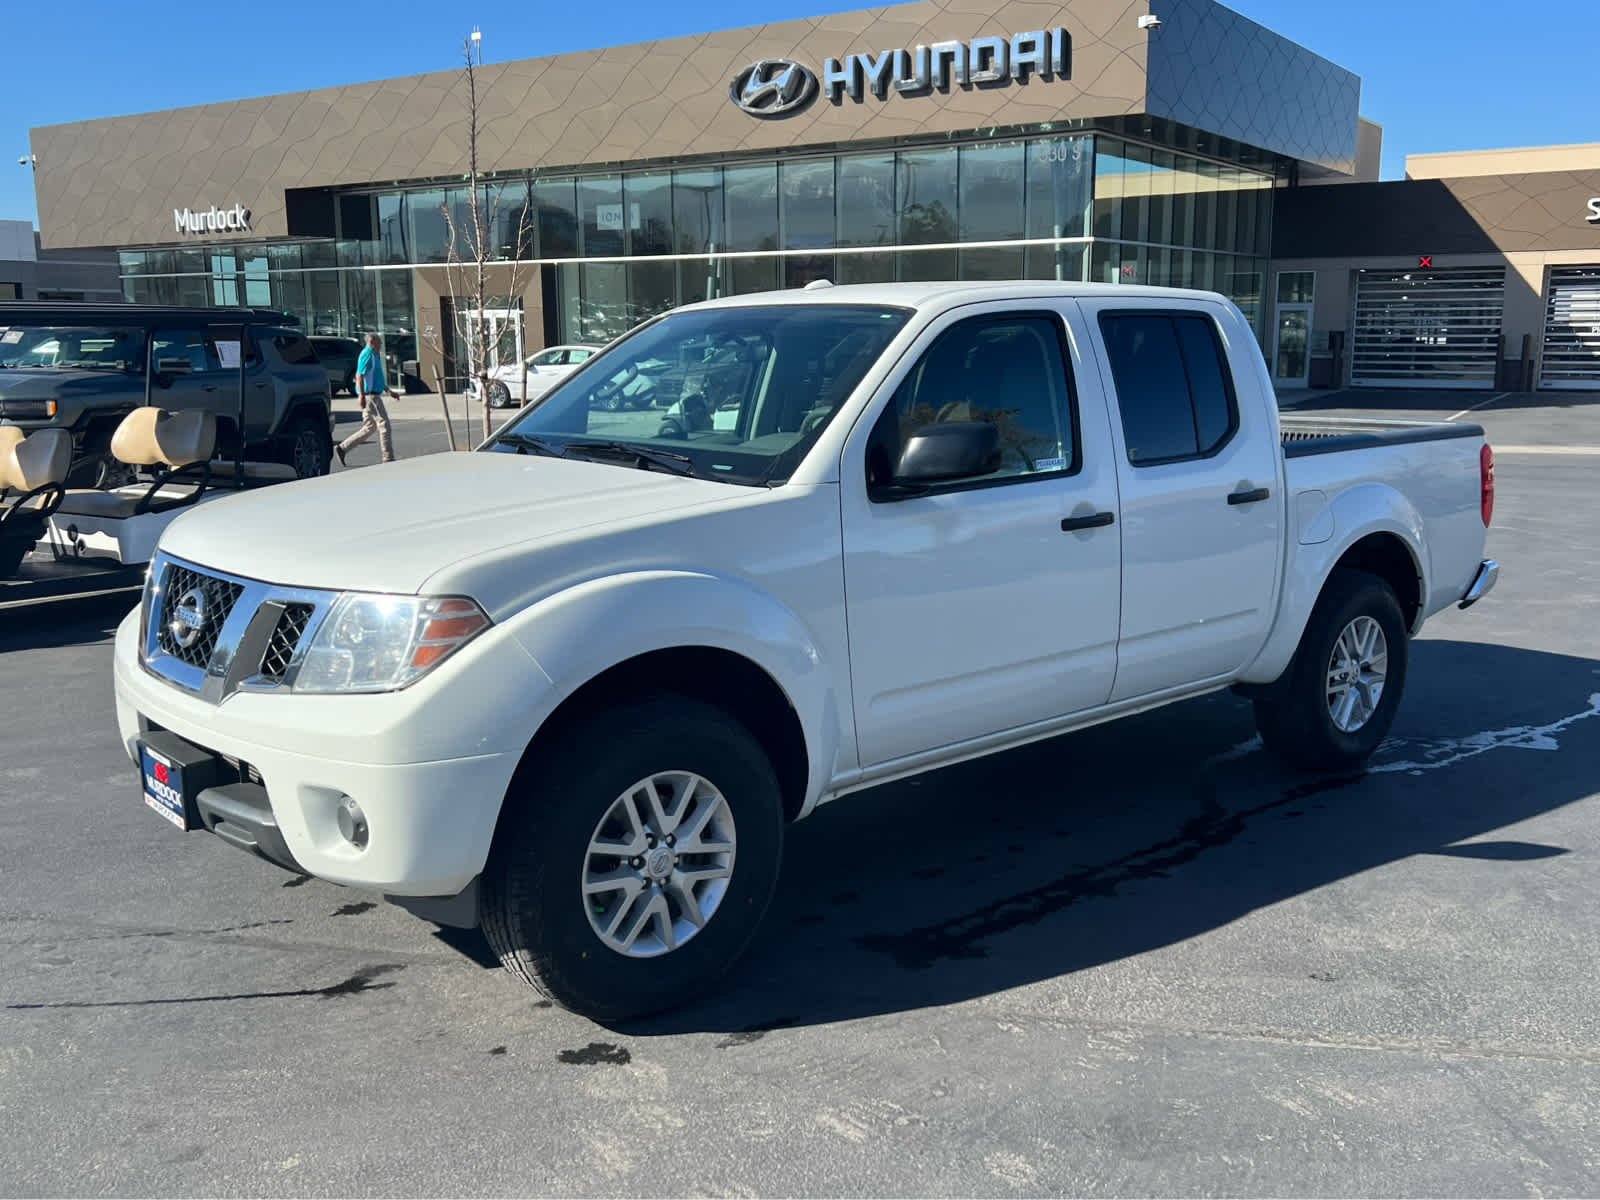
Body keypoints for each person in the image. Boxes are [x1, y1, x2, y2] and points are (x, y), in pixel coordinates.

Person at [335, 334, 399, 465]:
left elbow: (377, 378)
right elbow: (359, 375)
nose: (381, 345)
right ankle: (388, 458)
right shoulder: (367, 355)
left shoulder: (374, 356)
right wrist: (362, 396)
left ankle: (343, 448)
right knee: (384, 425)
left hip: (373, 394)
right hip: (371, 396)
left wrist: (388, 391)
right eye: (379, 342)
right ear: (372, 342)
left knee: (369, 427)